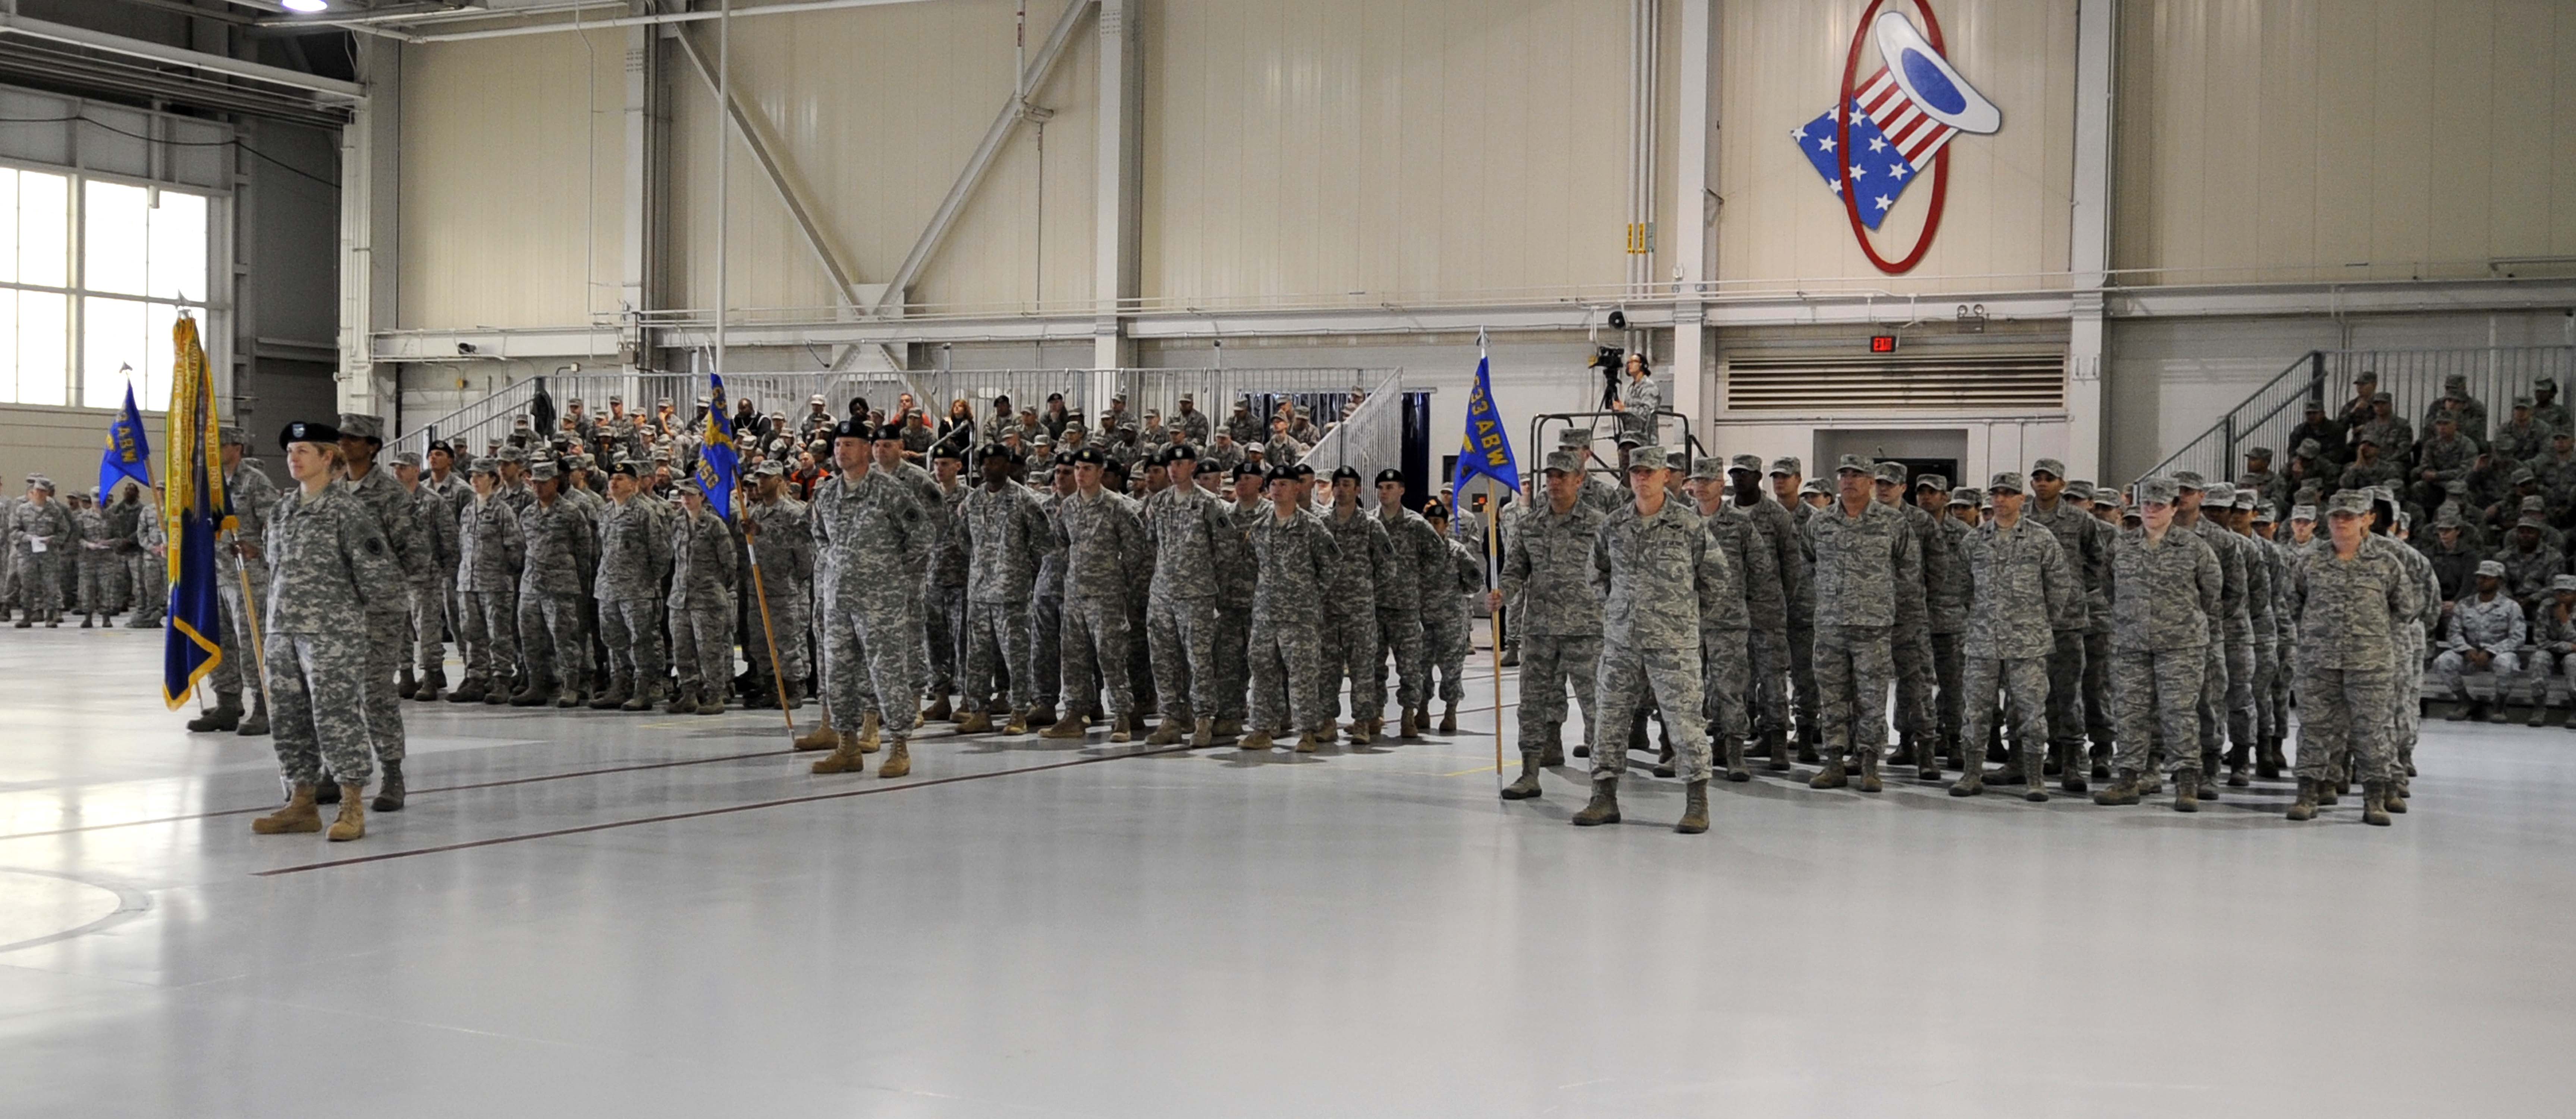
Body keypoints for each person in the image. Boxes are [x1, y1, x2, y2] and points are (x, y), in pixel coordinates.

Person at [250, 421, 402, 843]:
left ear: (328, 457)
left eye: (303, 451)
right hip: (283, 631)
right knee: (288, 718)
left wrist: (367, 633)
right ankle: (301, 802)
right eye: (290, 452)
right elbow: (275, 569)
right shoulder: (281, 512)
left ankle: (352, 804)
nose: (293, 459)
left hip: (332, 634)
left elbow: (378, 579)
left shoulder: (347, 512)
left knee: (336, 717)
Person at [1567, 446, 1728, 833]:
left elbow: (1715, 579)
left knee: (1685, 721)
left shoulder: (1687, 525)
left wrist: (1681, 617)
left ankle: (1696, 802)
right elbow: (1596, 573)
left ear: (1665, 477)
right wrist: (1619, 610)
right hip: (1622, 641)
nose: (1641, 478)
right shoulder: (1614, 524)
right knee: (1609, 718)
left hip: (1673, 643)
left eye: (1649, 472)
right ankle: (1603, 797)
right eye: (1635, 472)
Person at [809, 419, 933, 778]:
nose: (841, 451)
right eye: (837, 445)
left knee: (887, 671)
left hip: (881, 601)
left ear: (866, 449)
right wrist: (834, 561)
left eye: (849, 445)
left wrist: (892, 570)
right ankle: (847, 746)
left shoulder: (889, 491)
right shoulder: (827, 495)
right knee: (839, 673)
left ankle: (899, 746)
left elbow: (923, 535)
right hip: (839, 602)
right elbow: (819, 537)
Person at [2286, 490, 2419, 825]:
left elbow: (2405, 608)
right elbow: (2293, 603)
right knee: (2314, 729)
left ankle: (2375, 799)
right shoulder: (2311, 561)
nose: (2342, 521)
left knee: (2373, 730)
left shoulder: (2386, 562)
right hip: (2318, 661)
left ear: (2366, 520)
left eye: (2350, 516)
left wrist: (2371, 634)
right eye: (2336, 516)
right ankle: (2307, 795)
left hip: (2370, 663)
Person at [1947, 472, 2079, 800]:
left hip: (2028, 642)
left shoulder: (2041, 539)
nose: (2002, 500)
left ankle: (2034, 778)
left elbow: (2060, 585)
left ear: (2023, 499)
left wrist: (2040, 621)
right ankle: (1972, 774)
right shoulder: (1974, 541)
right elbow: (1963, 588)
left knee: (2031, 711)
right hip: (1983, 642)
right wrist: (1979, 619)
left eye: (2009, 494)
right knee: (1976, 710)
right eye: (1997, 494)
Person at [2093, 478, 2222, 808]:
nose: (2151, 510)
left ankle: (2186, 784)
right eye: (2147, 505)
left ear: (2174, 509)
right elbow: (2109, 588)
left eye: (2159, 505)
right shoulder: (2122, 546)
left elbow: (2212, 592)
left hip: (2181, 646)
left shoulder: (2194, 548)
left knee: (2179, 714)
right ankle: (2128, 780)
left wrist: (2180, 621)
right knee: (2131, 712)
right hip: (2131, 643)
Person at [1495, 451, 1608, 798]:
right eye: (1551, 476)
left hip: (1586, 630)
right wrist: (1504, 592)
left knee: (1597, 707)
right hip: (1540, 630)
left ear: (1580, 480)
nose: (1555, 482)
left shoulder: (1599, 524)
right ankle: (1530, 773)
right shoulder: (1530, 526)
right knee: (1532, 704)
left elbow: (1614, 571)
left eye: (1563, 476)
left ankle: (1603, 784)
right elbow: (1516, 569)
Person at [1805, 454, 1920, 791]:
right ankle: (1834, 763)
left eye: (1858, 475)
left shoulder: (1892, 523)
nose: (1849, 480)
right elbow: (1808, 560)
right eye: (1844, 474)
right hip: (1830, 626)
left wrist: (1889, 607)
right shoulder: (1820, 523)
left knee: (1872, 698)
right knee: (1832, 698)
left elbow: (1909, 571)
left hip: (1873, 628)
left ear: (1871, 482)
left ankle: (1870, 764)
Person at [332, 414, 426, 812]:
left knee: (375, 692)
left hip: (380, 610)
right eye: (342, 437)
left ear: (372, 446)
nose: (344, 443)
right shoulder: (332, 491)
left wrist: (382, 582)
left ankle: (392, 774)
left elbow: (416, 554)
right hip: (337, 609)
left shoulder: (390, 495)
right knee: (333, 692)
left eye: (353, 438)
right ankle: (335, 773)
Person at [1041, 447, 1149, 742]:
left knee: (1111, 655)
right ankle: (1074, 714)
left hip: (1107, 594)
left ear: (1101, 473)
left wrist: (1118, 578)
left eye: (1087, 469)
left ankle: (1123, 716)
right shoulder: (1070, 507)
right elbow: (1062, 543)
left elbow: (1136, 549)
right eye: (1077, 469)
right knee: (1073, 656)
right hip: (1075, 592)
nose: (1080, 474)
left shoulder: (1117, 507)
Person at [1688, 457, 1775, 782]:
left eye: (1706, 481)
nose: (1699, 486)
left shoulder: (1738, 524)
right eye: (1695, 480)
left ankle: (1735, 752)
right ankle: (1684, 751)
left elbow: (1762, 567)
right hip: (1687, 621)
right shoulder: (1681, 522)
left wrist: (1737, 597)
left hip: (1729, 621)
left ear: (1718, 485)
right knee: (1688, 691)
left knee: (1730, 689)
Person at [956, 445, 1053, 734]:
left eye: (996, 462)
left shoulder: (1025, 500)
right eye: (985, 463)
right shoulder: (973, 502)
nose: (989, 467)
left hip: (1011, 592)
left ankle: (1020, 711)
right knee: (978, 655)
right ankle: (980, 710)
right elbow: (963, 539)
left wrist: (1020, 570)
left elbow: (1042, 543)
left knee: (1017, 655)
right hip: (980, 590)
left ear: (1008, 466)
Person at [1241, 464, 1338, 752]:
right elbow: (1250, 563)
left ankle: (1307, 730)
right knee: (1261, 671)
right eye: (1273, 485)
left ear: (1297, 488)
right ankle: (1261, 728)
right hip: (1266, 615)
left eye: (1284, 484)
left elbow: (1331, 565)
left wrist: (1310, 594)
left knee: (1303, 674)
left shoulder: (1311, 527)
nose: (1277, 489)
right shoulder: (1259, 527)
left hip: (1300, 616)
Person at [1140, 445, 1231, 745]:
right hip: (1163, 594)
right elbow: (1152, 542)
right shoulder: (1160, 502)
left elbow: (1227, 548)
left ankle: (1203, 718)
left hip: (1196, 595)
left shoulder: (1209, 504)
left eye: (1180, 463)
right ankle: (1171, 718)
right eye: (1171, 465)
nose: (1174, 469)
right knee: (1163, 659)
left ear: (1193, 466)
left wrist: (1206, 579)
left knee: (1199, 659)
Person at [1317, 466, 1394, 743]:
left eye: (1347, 484)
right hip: (1328, 610)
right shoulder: (1322, 523)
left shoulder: (1371, 526)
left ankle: (1363, 722)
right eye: (1337, 485)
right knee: (1327, 669)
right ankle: (1327, 721)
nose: (1340, 489)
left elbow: (1388, 566)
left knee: (1363, 669)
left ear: (1358, 490)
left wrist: (1367, 590)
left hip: (1359, 611)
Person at [513, 460, 596, 709]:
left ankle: (571, 686)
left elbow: (585, 551)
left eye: (543, 483)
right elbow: (522, 548)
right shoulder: (527, 514)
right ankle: (537, 684)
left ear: (556, 483)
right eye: (535, 483)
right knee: (530, 638)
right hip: (531, 586)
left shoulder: (571, 512)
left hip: (561, 587)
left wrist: (579, 584)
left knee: (565, 638)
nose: (538, 488)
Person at [592, 463, 672, 712]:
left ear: (634, 485)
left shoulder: (645, 512)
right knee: (614, 641)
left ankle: (644, 688)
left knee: (641, 641)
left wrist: (648, 581)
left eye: (621, 479)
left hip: (638, 590)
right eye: (612, 478)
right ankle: (620, 685)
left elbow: (661, 553)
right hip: (608, 588)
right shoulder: (606, 512)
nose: (614, 483)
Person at [1371, 468, 1443, 737]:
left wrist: (1418, 581)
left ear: (1401, 490)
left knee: (1410, 665)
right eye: (1381, 487)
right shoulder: (1370, 522)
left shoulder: (1416, 524)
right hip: (1375, 606)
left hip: (1405, 607)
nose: (1385, 492)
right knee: (1373, 665)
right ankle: (1375, 713)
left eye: (1390, 487)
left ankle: (1408, 714)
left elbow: (1438, 555)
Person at [448, 458, 524, 705]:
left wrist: (505, 575)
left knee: (499, 634)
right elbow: (463, 545)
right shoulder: (469, 510)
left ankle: (501, 678)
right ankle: (476, 678)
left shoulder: (502, 511)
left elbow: (515, 548)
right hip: (468, 582)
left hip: (495, 583)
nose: (475, 481)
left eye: (480, 476)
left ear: (493, 478)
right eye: (472, 477)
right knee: (472, 633)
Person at [741, 463, 816, 710]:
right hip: (759, 586)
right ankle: (771, 686)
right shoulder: (754, 513)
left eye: (765, 478)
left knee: (788, 640)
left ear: (778, 481)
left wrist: (796, 580)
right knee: (760, 641)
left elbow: (806, 553)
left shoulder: (794, 513)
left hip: (786, 587)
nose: (760, 483)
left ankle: (793, 686)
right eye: (757, 478)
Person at [666, 480, 739, 715]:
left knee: (710, 650)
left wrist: (716, 587)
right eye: (682, 495)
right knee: (682, 649)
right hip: (680, 598)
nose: (686, 499)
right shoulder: (677, 524)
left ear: (702, 497)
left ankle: (715, 695)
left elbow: (730, 563)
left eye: (691, 495)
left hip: (707, 598)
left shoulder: (714, 525)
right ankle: (689, 693)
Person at [2436, 560, 2526, 723]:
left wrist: (2492, 651)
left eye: (2487, 578)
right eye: (2479, 577)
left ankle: (2499, 707)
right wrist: (2466, 649)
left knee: (2507, 663)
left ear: (2499, 581)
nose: (2481, 581)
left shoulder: (2511, 607)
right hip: (2470, 654)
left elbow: (2518, 638)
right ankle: (2466, 702)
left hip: (2497, 655)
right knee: (2444, 661)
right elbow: (2454, 633)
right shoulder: (2465, 604)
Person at [1417, 499, 1480, 733]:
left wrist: (1456, 599)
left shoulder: (1456, 552)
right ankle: (1422, 709)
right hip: (1423, 621)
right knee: (1420, 668)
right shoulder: (1416, 551)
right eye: (1430, 523)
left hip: (1451, 622)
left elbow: (1475, 582)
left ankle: (1450, 712)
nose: (1433, 527)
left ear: (1445, 525)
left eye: (1438, 523)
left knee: (1451, 670)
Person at [10, 477, 70, 627]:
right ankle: (27, 617)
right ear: (33, 492)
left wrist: (54, 540)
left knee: (50, 586)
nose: (40, 494)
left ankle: (50, 617)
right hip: (27, 554)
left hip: (49, 555)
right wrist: (28, 537)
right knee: (27, 585)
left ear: (48, 493)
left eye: (43, 491)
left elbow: (65, 530)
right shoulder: (22, 510)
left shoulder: (55, 511)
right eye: (38, 491)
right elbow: (13, 530)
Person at [2525, 574, 2576, 728]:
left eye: (2565, 593)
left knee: (2573, 661)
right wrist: (2567, 646)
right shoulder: (2547, 606)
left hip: (2572, 654)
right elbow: (2540, 641)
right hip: (2551, 650)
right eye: (2557, 593)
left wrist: (2565, 621)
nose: (2560, 597)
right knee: (2539, 659)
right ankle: (2540, 707)